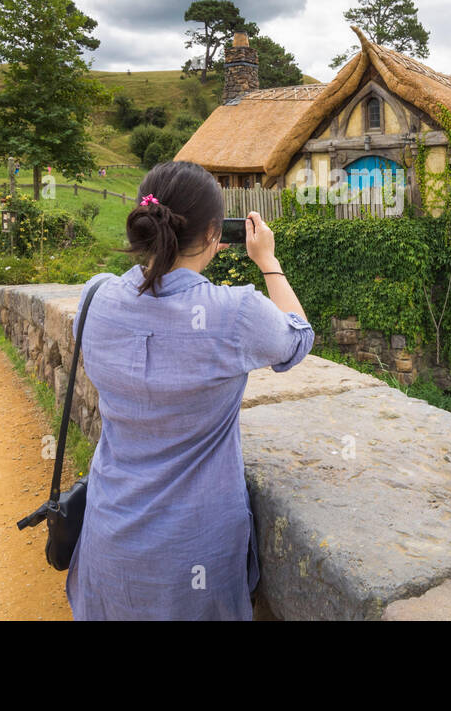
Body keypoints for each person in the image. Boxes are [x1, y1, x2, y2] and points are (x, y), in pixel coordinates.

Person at [65, 160, 313, 621]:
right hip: (195, 551)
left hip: (110, 537)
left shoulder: (95, 296)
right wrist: (268, 261)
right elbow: (297, 337)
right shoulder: (235, 312)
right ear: (216, 234)